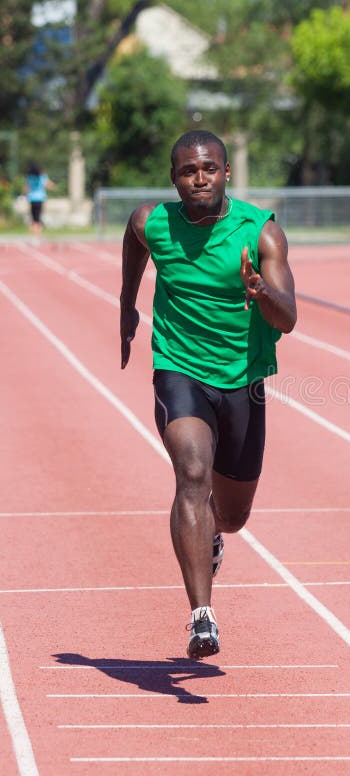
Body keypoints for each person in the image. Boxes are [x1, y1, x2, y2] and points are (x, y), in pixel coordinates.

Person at [120, 130, 297, 659]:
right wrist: (127, 303)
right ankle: (202, 616)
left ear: (226, 173)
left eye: (210, 169)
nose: (200, 178)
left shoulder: (259, 232)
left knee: (235, 516)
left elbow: (288, 319)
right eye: (188, 171)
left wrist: (262, 291)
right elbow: (134, 243)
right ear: (173, 178)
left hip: (243, 378)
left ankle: (212, 535)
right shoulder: (153, 222)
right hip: (179, 368)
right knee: (192, 471)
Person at [25, 162, 55, 237]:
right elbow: (49, 185)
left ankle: (34, 231)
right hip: (40, 198)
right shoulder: (42, 177)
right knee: (38, 216)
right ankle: (37, 233)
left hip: (31, 198)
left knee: (33, 216)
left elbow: (26, 188)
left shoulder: (29, 177)